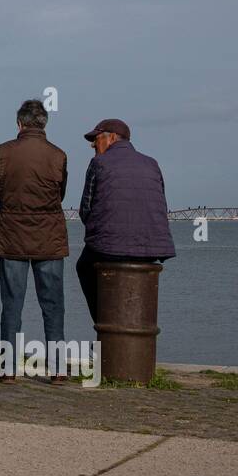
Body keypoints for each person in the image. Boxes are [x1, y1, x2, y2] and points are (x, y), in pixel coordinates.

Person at [0, 99, 68, 383]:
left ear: (19, 124)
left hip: (12, 238)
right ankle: (58, 369)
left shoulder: (4, 152)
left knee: (12, 304)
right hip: (49, 238)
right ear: (44, 123)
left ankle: (9, 368)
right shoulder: (58, 155)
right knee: (53, 305)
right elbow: (60, 194)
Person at [76, 119, 175, 324]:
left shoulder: (98, 163)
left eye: (96, 139)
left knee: (84, 267)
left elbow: (85, 210)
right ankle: (133, 322)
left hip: (109, 248)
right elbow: (160, 207)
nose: (93, 145)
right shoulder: (152, 163)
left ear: (111, 137)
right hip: (151, 248)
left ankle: (104, 323)